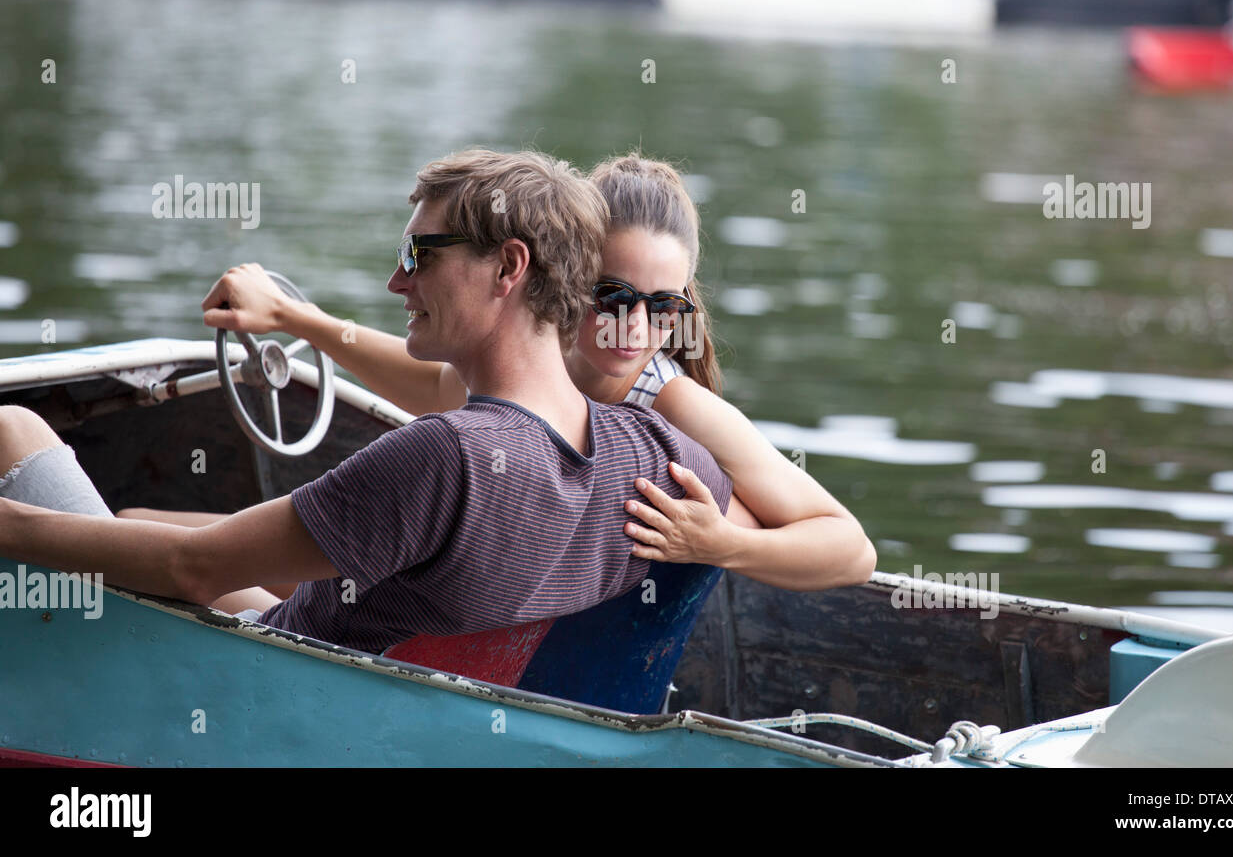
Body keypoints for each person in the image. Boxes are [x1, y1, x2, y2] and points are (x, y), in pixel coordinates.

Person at [0, 149, 753, 656]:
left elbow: (193, 569)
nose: (398, 282)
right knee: (131, 523)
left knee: (13, 428)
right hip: (373, 680)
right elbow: (756, 527)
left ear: (509, 268)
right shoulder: (661, 461)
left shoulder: (444, 456)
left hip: (263, 676)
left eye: (418, 255)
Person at [164, 153, 875, 592]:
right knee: (153, 526)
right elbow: (429, 384)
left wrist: (724, 545)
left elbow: (850, 550)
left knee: (153, 537)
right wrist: (295, 319)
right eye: (613, 296)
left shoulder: (681, 408)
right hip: (462, 591)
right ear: (567, 272)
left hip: (495, 614)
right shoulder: (533, 366)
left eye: (663, 308)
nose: (635, 328)